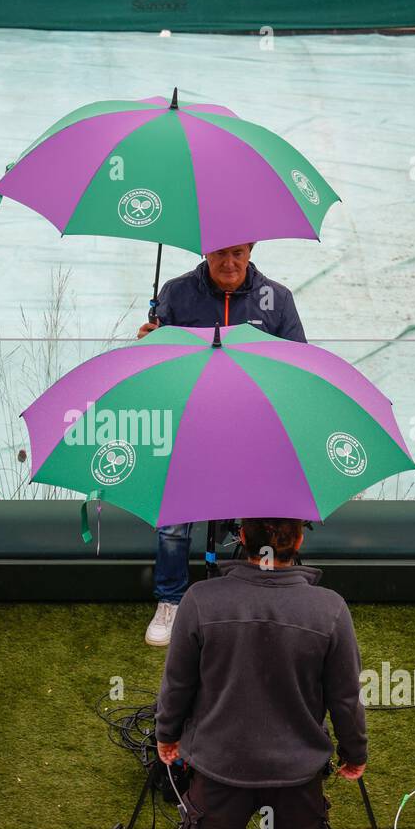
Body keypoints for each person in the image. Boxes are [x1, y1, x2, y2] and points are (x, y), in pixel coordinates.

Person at [146, 517, 366, 829]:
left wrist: (167, 736)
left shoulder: (202, 602)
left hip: (219, 773)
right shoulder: (329, 609)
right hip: (299, 776)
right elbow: (345, 698)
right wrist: (354, 753)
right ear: (300, 540)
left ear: (241, 538)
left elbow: (175, 685)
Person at [137, 243, 306, 646]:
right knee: (174, 522)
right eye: (219, 255)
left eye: (237, 254)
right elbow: (154, 367)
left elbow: (299, 364)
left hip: (254, 426)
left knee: (257, 517)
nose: (228, 263)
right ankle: (171, 601)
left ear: (251, 251)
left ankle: (253, 595)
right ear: (205, 253)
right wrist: (147, 341)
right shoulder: (175, 293)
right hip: (188, 421)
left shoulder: (277, 299)